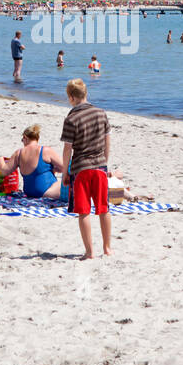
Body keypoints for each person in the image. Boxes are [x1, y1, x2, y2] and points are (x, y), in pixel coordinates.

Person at [60, 78, 113, 260]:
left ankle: (89, 251)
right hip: (99, 166)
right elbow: (107, 140)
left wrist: (65, 172)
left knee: (84, 211)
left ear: (71, 97)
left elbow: (68, 148)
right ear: (86, 94)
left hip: (81, 168)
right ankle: (107, 248)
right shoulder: (101, 113)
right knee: (103, 208)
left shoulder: (71, 118)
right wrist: (105, 162)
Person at [0, 124, 65, 199]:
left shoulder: (19, 153)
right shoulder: (45, 151)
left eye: (22, 140)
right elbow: (65, 168)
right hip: (47, 192)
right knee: (69, 182)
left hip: (29, 192)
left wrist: (0, 159)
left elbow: (4, 171)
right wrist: (56, 169)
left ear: (25, 137)